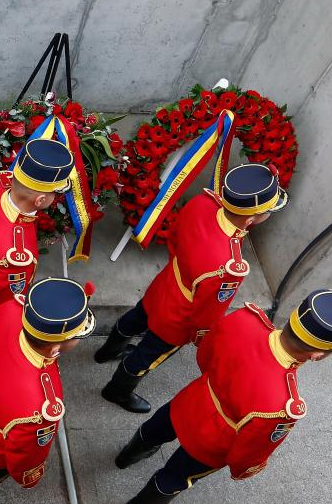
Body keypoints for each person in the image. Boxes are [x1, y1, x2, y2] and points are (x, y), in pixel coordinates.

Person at [115, 290, 332, 504]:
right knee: (176, 476)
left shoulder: (247, 319)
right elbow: (248, 453)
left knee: (156, 428)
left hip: (193, 397)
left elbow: (206, 354)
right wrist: (240, 470)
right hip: (213, 440)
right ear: (318, 354)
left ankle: (126, 456)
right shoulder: (282, 405)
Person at [95, 163, 288, 413]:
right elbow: (206, 314)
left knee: (135, 318)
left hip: (167, 281)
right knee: (147, 356)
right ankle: (116, 391)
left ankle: (106, 352)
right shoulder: (229, 266)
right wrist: (199, 337)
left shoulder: (203, 202)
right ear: (252, 218)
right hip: (179, 316)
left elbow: (174, 238)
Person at [0, 277, 95, 504]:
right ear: (55, 347)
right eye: (78, 335)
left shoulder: (9, 310)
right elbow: (25, 455)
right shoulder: (40, 406)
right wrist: (28, 475)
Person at [0, 138, 75, 398]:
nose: (55, 198)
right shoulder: (17, 256)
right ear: (40, 199)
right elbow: (5, 302)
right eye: (54, 193)